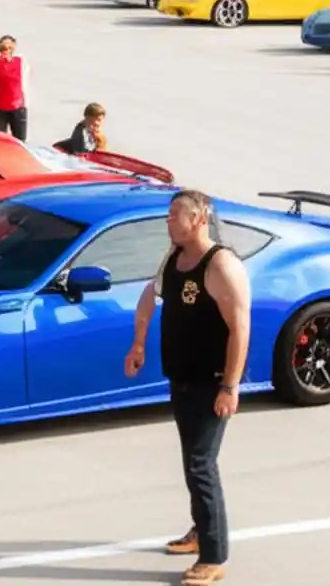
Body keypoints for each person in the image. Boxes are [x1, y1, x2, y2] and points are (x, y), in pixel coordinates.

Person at [124, 190, 251, 586]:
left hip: (211, 383)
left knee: (201, 465)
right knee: (191, 463)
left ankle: (213, 555)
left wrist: (230, 386)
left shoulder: (220, 265)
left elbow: (240, 328)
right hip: (181, 379)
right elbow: (151, 293)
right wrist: (139, 341)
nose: (168, 221)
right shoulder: (175, 258)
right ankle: (200, 531)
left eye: (175, 215)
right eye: (168, 214)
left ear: (199, 220)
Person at [0, 35, 28, 140]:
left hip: (18, 107)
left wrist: (25, 106)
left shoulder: (21, 62)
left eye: (9, 48)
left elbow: (24, 85)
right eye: (4, 48)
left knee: (20, 142)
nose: (6, 50)